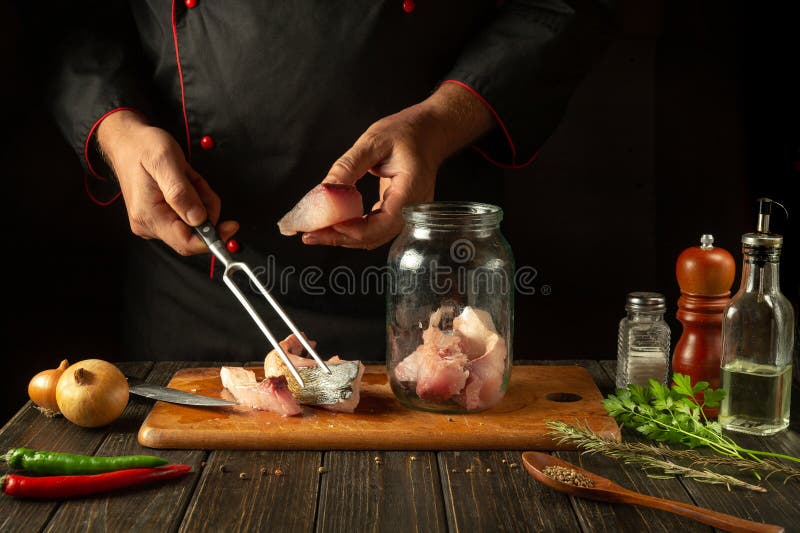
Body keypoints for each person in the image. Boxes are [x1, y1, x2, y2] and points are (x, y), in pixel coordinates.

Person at [51, 0, 608, 360]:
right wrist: (117, 131)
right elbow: (73, 22)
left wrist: (439, 123)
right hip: (201, 294)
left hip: (433, 281)